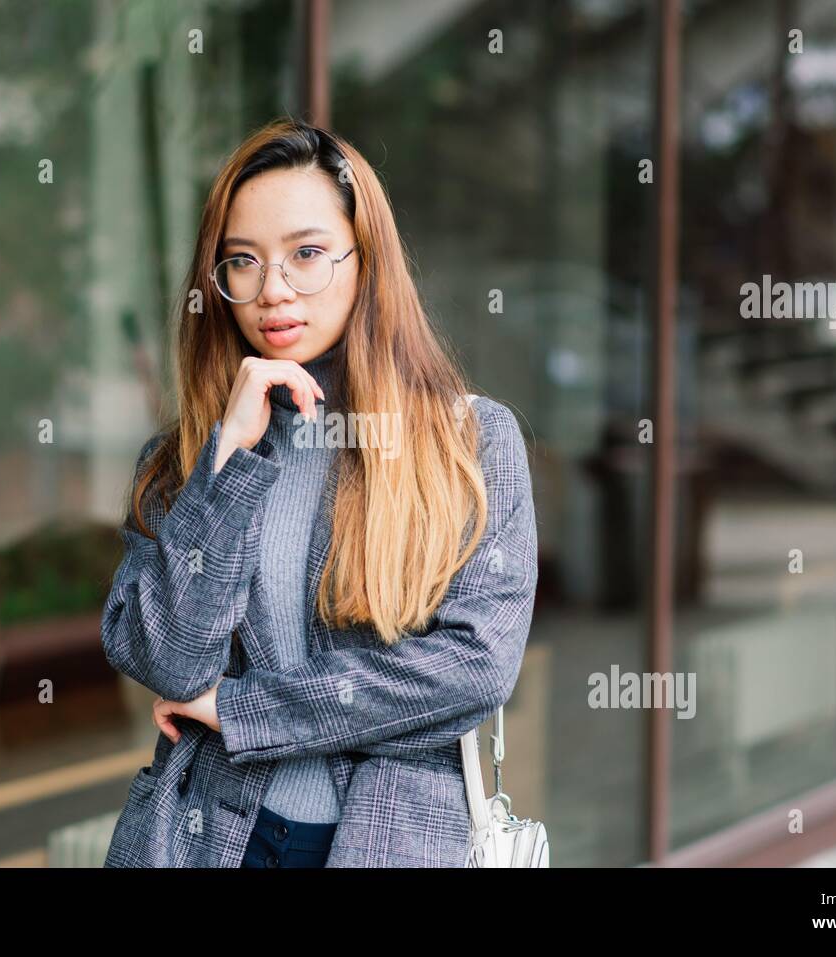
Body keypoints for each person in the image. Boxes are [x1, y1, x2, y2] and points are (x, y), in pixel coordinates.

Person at [101, 118, 538, 868]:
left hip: (389, 841)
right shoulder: (187, 461)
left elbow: (472, 668)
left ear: (365, 260)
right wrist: (227, 465)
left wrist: (244, 711)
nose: (273, 291)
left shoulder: (470, 444)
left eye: (306, 255)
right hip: (212, 839)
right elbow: (168, 660)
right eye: (243, 261)